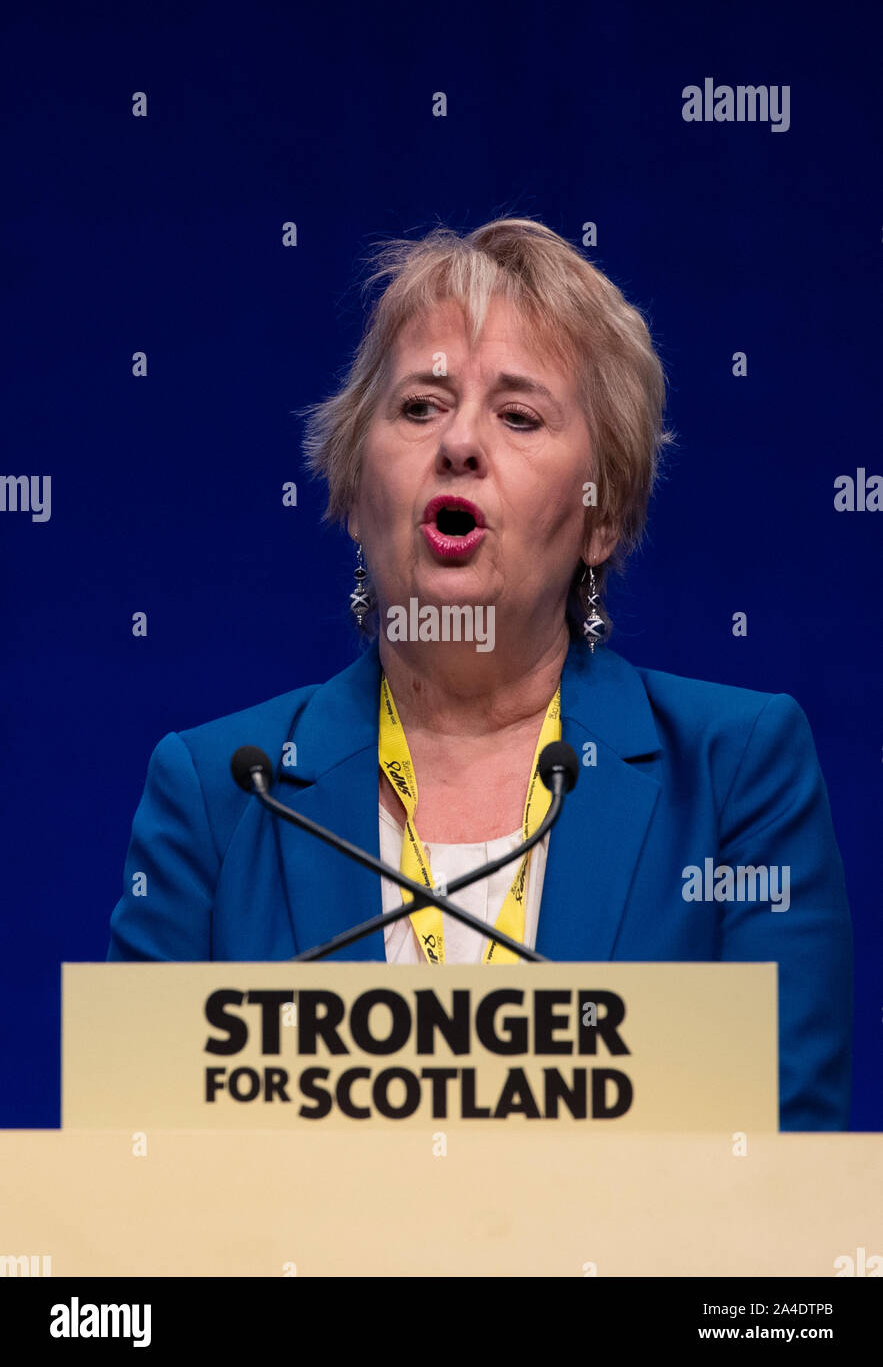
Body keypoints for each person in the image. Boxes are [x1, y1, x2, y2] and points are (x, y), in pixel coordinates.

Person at [107, 216, 852, 1131]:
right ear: (350, 490)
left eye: (517, 414)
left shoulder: (735, 775)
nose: (458, 443)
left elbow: (777, 1159)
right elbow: (134, 1167)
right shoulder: (221, 796)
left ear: (600, 516)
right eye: (418, 408)